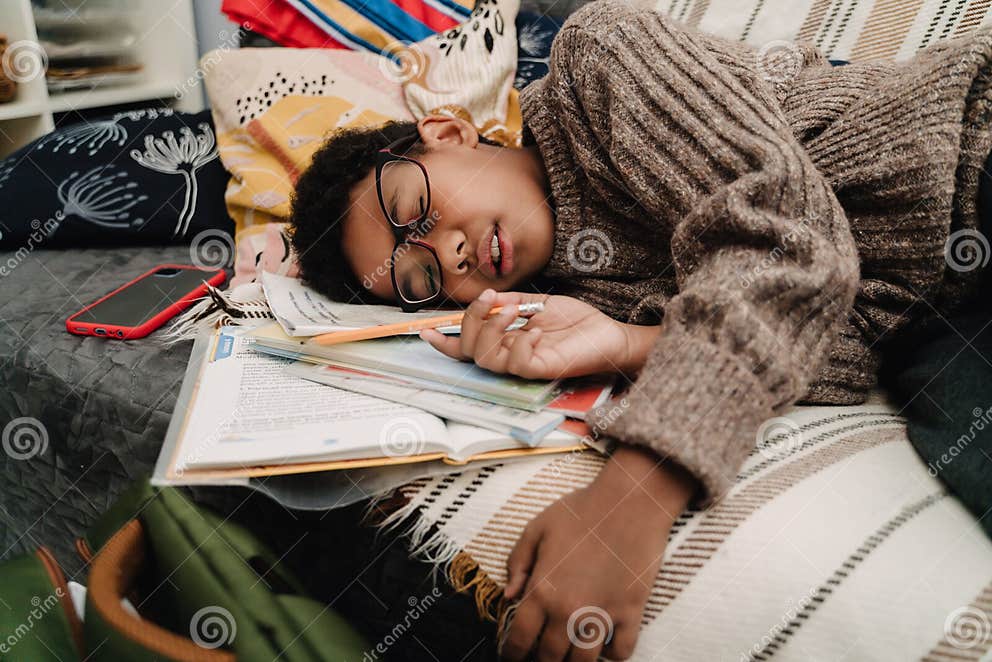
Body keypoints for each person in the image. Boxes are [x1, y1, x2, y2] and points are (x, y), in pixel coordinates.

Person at [288, 1, 992, 659]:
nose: (446, 253)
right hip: (947, 317)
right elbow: (836, 351)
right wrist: (626, 344)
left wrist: (632, 496)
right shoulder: (576, 295)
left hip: (972, 153)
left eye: (416, 209)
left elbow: (784, 244)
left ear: (446, 132)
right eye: (420, 278)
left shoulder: (600, 61)